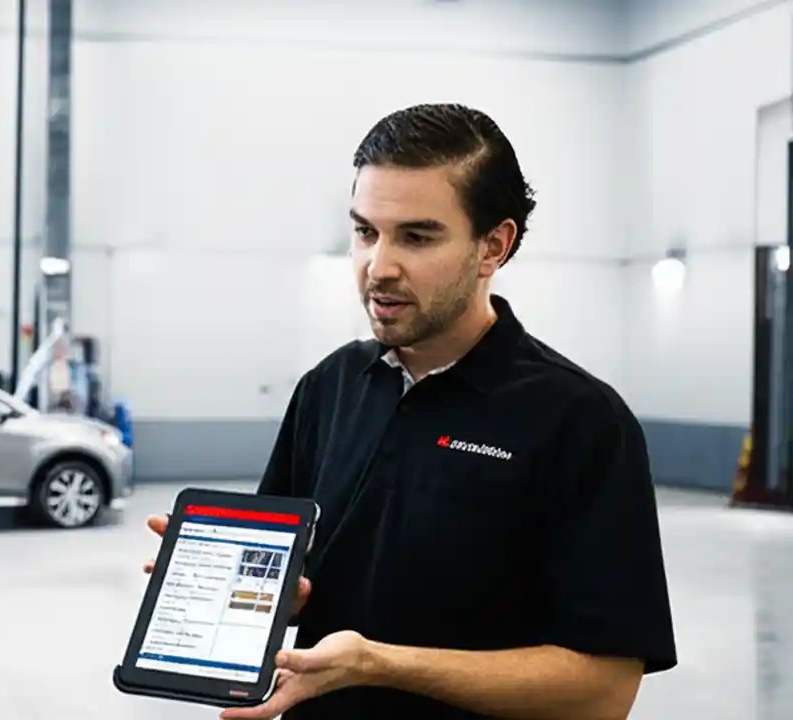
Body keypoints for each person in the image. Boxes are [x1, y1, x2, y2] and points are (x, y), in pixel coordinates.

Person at [144, 103, 676, 719]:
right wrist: (249, 592)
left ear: (493, 247)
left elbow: (603, 693)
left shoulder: (581, 422)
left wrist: (379, 664)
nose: (380, 266)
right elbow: (293, 580)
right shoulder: (329, 387)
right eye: (366, 232)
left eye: (416, 237)